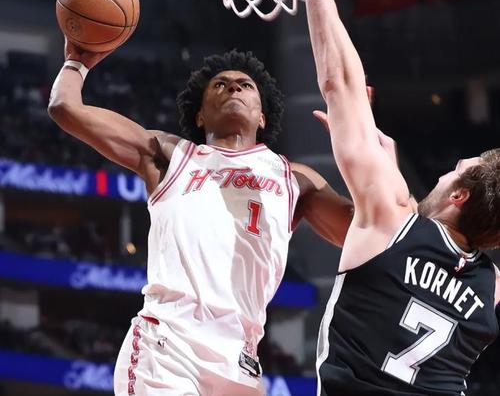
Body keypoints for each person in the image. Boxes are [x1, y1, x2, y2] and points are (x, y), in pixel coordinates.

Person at [48, 38, 354, 395]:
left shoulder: (295, 179)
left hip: (239, 363)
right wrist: (77, 62)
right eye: (220, 84)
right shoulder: (171, 155)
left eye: (246, 85)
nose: (234, 87)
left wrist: (359, 149)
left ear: (262, 116)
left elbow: (365, 233)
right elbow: (65, 108)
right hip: (169, 348)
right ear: (200, 114)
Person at [305, 0, 500, 396]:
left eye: (454, 171)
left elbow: (339, 82)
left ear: (459, 194)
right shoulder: (491, 286)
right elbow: (420, 240)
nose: (443, 173)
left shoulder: (389, 218)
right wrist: (387, 169)